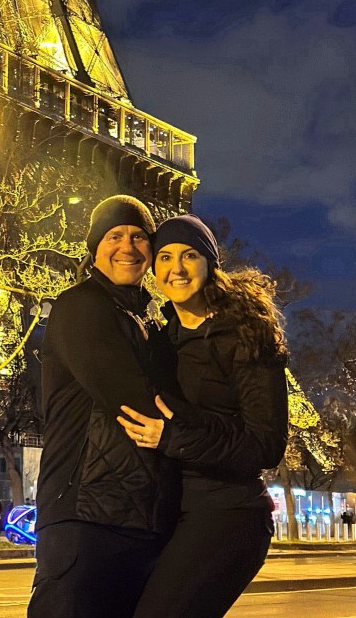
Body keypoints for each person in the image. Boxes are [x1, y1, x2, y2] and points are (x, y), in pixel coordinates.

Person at [117, 215, 289, 618]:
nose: (176, 268)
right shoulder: (164, 339)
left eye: (189, 255)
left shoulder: (245, 334)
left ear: (210, 262)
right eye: (165, 257)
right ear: (152, 268)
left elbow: (266, 445)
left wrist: (173, 438)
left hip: (230, 514)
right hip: (177, 512)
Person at [28, 195, 180, 618]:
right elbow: (132, 398)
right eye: (115, 236)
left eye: (138, 237)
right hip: (85, 515)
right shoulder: (82, 306)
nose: (128, 247)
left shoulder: (148, 320)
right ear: (95, 246)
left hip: (137, 517)